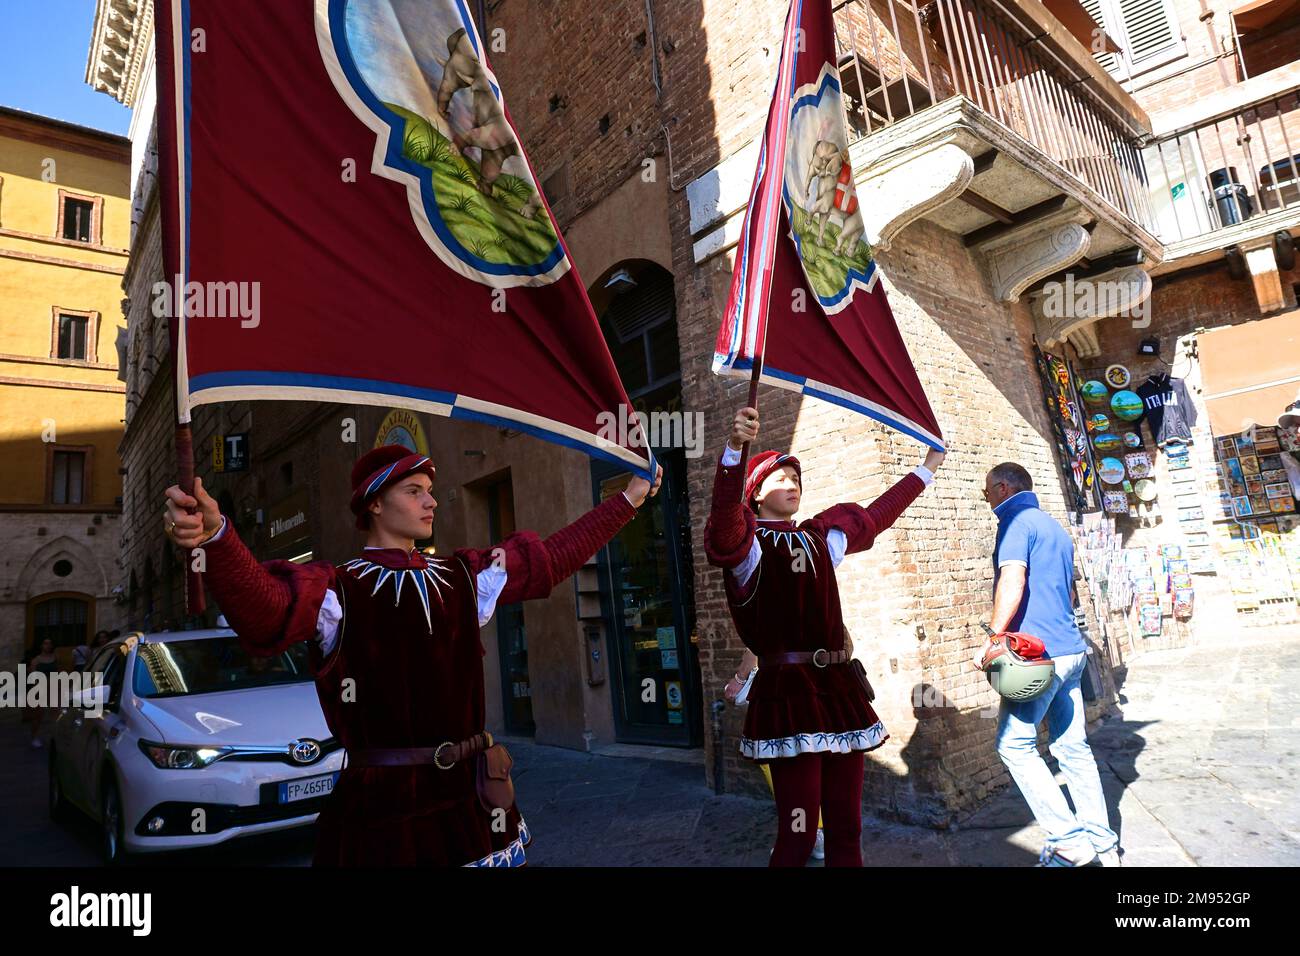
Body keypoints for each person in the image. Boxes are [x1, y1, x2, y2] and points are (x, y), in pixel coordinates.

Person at [164, 444, 661, 866]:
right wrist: (218, 539)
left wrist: (629, 498)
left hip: (474, 795)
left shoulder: (464, 577)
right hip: (386, 809)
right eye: (413, 491)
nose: (431, 502)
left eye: (429, 491)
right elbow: (265, 613)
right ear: (374, 504)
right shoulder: (338, 590)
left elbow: (551, 559)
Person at [707, 406, 942, 866]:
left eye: (796, 476)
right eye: (779, 478)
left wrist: (927, 467)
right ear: (755, 496)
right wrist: (734, 451)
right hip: (789, 695)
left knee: (847, 830)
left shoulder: (819, 539)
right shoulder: (747, 547)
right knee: (796, 835)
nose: (792, 483)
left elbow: (877, 515)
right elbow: (722, 517)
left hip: (837, 690)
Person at [979, 462, 1120, 867]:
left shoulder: (1016, 522)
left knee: (1015, 746)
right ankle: (1104, 847)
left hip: (1040, 658)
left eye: (987, 492)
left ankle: (1068, 841)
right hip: (1071, 651)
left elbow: (1013, 580)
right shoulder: (1055, 527)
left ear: (1003, 488)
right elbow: (1072, 595)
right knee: (1073, 748)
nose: (987, 499)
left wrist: (993, 636)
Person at [28, 638, 59, 748]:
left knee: (55, 714)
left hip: (54, 689)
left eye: (50, 643)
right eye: (45, 643)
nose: (48, 645)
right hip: (40, 690)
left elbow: (58, 672)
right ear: (41, 646)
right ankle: (34, 736)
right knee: (38, 715)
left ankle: (54, 736)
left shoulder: (55, 658)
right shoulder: (36, 660)